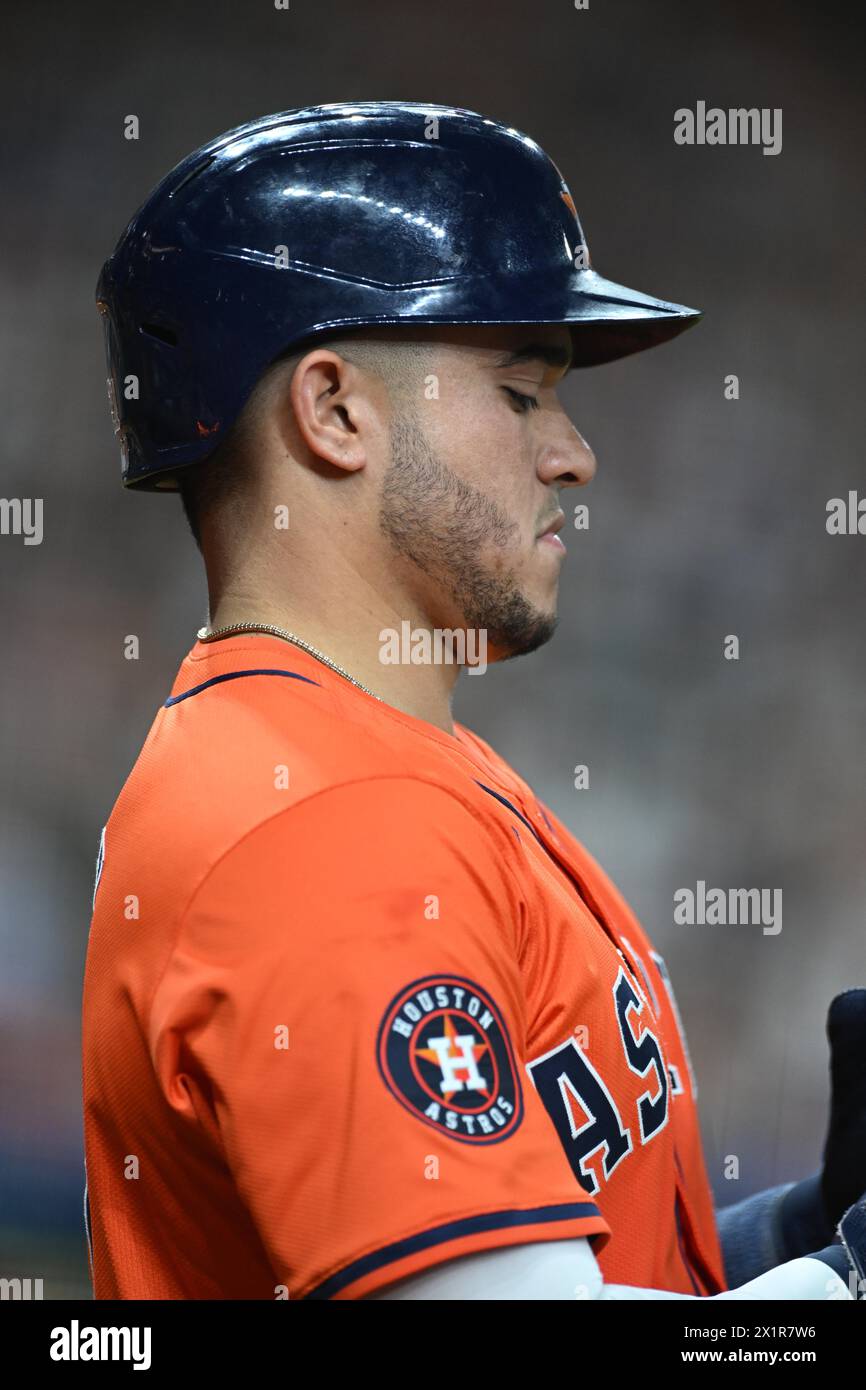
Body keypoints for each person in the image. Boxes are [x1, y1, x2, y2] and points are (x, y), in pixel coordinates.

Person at [82, 102, 862, 1300]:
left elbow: (557, 1269)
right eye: (518, 392)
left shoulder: (366, 762)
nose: (571, 454)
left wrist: (804, 1234)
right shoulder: (321, 829)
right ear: (333, 410)